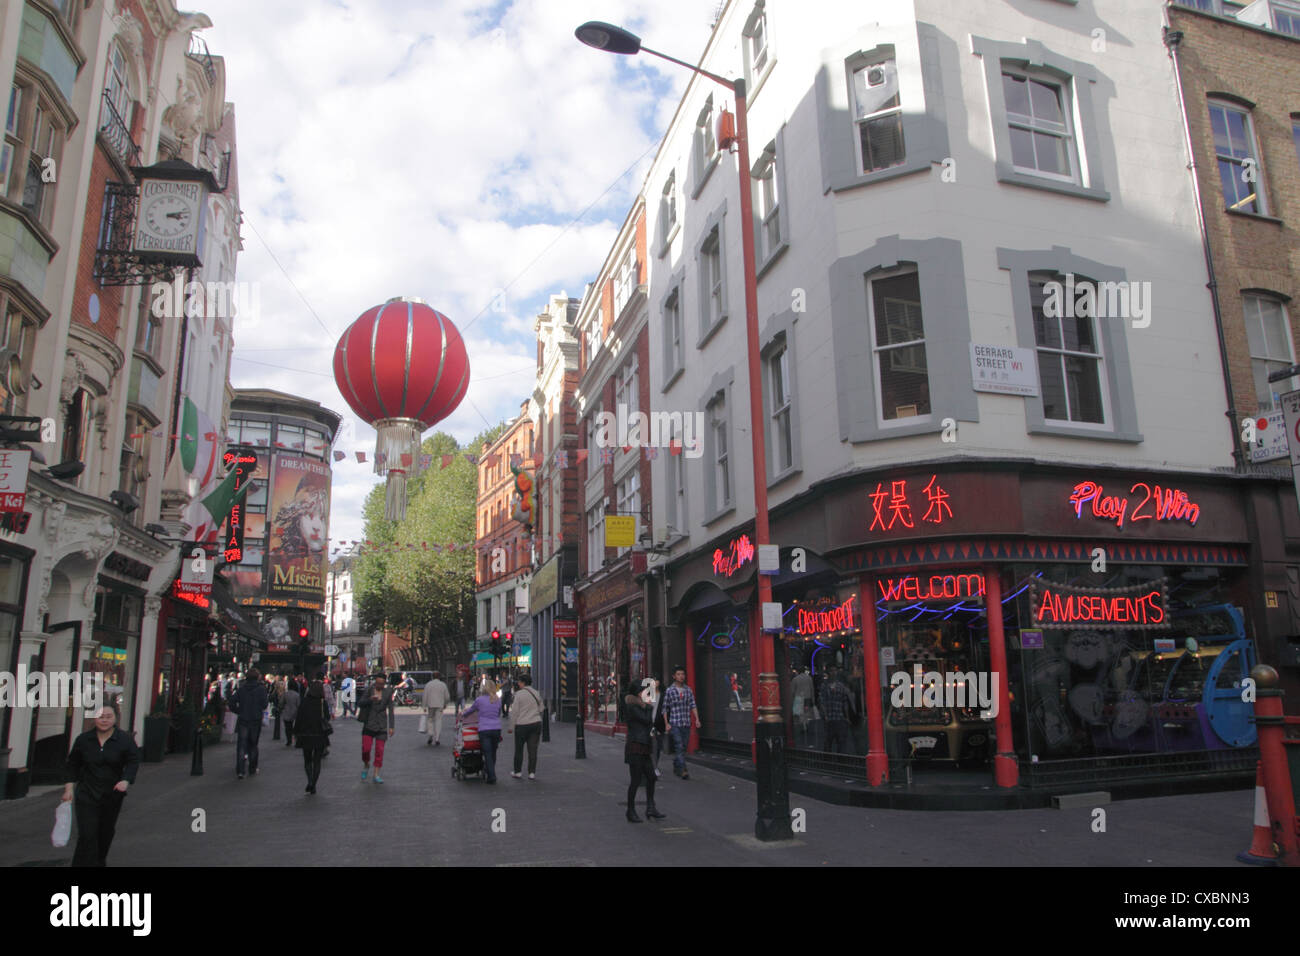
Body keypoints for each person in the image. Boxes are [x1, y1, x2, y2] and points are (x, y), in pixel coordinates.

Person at [62, 703, 141, 866]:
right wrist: (69, 789)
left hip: (112, 793)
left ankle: (97, 861)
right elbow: (73, 764)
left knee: (105, 832)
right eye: (100, 717)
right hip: (86, 793)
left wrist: (125, 780)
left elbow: (133, 761)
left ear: (115, 719)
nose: (104, 720)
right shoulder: (83, 740)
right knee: (87, 833)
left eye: (108, 717)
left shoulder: (124, 740)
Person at [623, 679, 665, 822]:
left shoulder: (641, 705)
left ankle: (651, 807)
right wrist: (649, 706)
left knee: (651, 777)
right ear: (638, 692)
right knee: (635, 780)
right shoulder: (632, 706)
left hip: (644, 746)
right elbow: (647, 720)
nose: (646, 693)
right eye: (644, 691)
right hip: (635, 746)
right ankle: (630, 810)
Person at [229, 667, 269, 778]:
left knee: (242, 745)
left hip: (243, 719)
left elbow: (231, 702)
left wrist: (238, 711)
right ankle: (252, 768)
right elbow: (265, 704)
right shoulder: (261, 689)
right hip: (255, 719)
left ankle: (241, 770)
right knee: (253, 744)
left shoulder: (242, 689)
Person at [460, 679, 502, 784]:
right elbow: (498, 714)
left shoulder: (479, 700)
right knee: (493, 752)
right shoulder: (498, 700)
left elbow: (471, 710)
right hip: (496, 729)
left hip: (484, 729)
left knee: (487, 752)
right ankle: (490, 771)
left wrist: (463, 714)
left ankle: (492, 776)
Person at [356, 674, 396, 783]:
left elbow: (391, 710)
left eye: (381, 684)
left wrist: (391, 726)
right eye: (377, 683)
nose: (379, 685)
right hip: (369, 723)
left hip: (381, 725)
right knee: (366, 749)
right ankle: (366, 764)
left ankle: (376, 774)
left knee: (379, 751)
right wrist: (370, 699)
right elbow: (360, 703)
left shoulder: (388, 692)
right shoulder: (369, 690)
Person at [294, 676, 332, 794]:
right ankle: (314, 784)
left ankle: (310, 780)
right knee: (317, 761)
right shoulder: (322, 703)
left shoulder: (304, 702)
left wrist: (295, 732)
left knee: (307, 760)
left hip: (306, 734)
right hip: (319, 734)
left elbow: (299, 718)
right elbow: (327, 717)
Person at [662, 666, 700, 780]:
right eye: (678, 674)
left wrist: (697, 719)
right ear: (674, 676)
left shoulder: (688, 690)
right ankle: (683, 770)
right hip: (675, 722)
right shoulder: (670, 690)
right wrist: (666, 723)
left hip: (686, 722)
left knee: (683, 746)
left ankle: (676, 763)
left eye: (682, 674)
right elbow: (665, 708)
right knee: (679, 746)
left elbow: (693, 705)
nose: (681, 676)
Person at [508, 674, 544, 779]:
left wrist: (511, 727)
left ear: (523, 682)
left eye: (519, 682)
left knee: (519, 749)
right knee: (533, 749)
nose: (518, 684)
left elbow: (514, 712)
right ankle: (532, 772)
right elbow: (541, 708)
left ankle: (517, 771)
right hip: (535, 723)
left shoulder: (518, 695)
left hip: (522, 725)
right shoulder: (536, 693)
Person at [820, 668, 853, 754]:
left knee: (840, 741)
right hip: (830, 717)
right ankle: (829, 761)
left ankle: (839, 761)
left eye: (835, 670)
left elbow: (845, 702)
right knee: (828, 741)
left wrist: (847, 717)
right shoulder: (824, 686)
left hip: (839, 717)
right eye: (831, 670)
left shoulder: (840, 686)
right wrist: (825, 715)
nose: (833, 673)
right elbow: (822, 702)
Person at [423, 670, 451, 746]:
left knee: (430, 720)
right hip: (440, 705)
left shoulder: (428, 684)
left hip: (431, 705)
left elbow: (425, 696)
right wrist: (445, 703)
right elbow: (447, 697)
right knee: (438, 721)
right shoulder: (443, 685)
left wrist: (424, 706)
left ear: (432, 677)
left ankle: (431, 734)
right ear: (439, 677)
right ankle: (437, 738)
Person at [650, 675, 669, 779]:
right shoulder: (648, 694)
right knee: (653, 746)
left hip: (659, 724)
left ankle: (655, 765)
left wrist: (666, 723)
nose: (655, 682)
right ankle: (653, 767)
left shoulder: (663, 695)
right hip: (649, 724)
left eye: (657, 680)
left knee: (658, 747)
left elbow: (665, 710)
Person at [281, 680, 301, 747]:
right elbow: (299, 704)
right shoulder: (297, 695)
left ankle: (289, 740)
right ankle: (296, 740)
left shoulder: (285, 694)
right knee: (295, 728)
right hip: (295, 713)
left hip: (286, 712)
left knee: (287, 727)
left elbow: (281, 703)